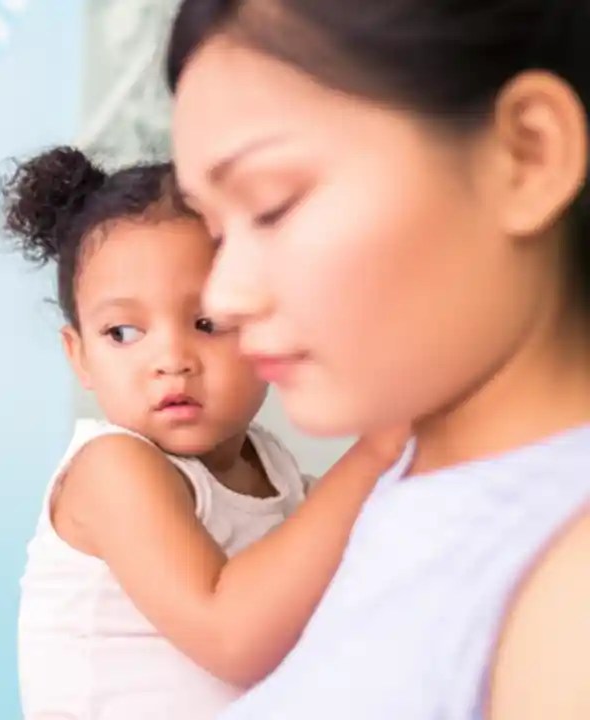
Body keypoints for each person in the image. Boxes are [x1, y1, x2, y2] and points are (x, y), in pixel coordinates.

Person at [165, 0, 590, 717]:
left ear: (526, 155)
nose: (225, 294)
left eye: (272, 206)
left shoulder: (571, 596)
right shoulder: (418, 484)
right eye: (214, 230)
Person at [2, 147, 405, 719]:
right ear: (80, 356)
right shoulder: (112, 469)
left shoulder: (274, 470)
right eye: (122, 332)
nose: (171, 358)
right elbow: (231, 636)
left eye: (208, 323)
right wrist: (380, 447)